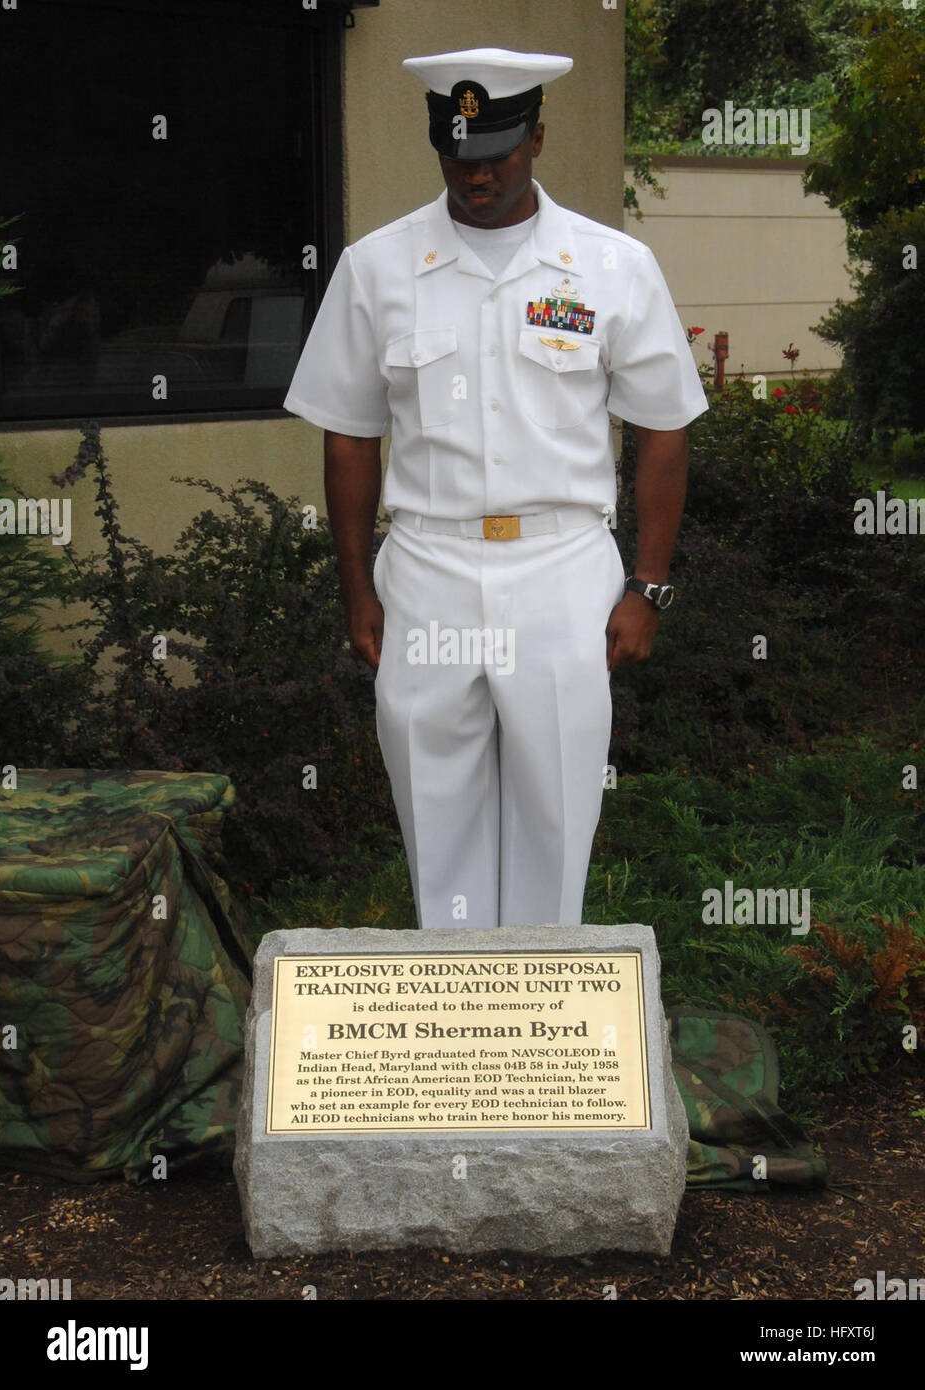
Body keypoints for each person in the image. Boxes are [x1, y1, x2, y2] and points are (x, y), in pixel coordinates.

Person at [284, 48, 708, 931]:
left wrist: (650, 585)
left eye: (498, 157)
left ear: (538, 140)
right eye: (459, 158)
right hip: (429, 566)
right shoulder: (378, 268)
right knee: (434, 811)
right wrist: (356, 586)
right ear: (438, 147)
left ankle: (545, 1024)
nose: (477, 176)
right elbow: (352, 435)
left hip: (561, 569)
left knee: (556, 815)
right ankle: (463, 1028)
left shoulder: (610, 266)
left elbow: (664, 426)